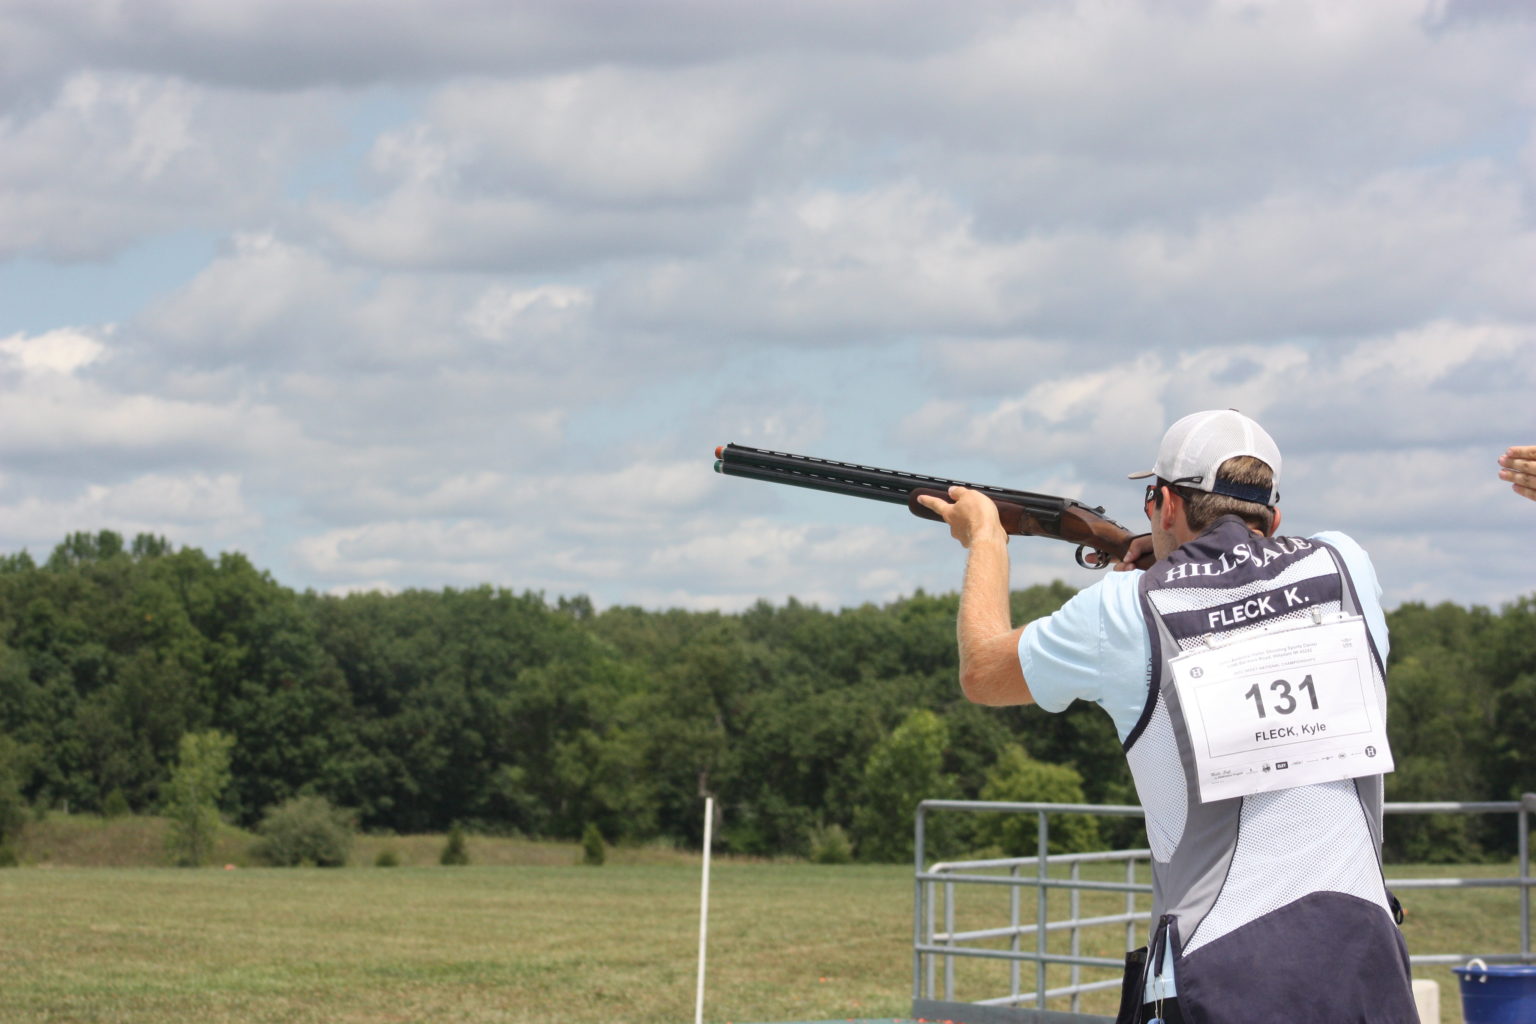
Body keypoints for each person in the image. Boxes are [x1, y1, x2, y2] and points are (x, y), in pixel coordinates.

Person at [918, 410, 1416, 1024]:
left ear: (1164, 504)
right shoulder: (1348, 567)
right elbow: (1250, 573)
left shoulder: (1123, 609)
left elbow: (983, 674)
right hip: (1366, 965)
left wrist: (987, 541)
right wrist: (1168, 553)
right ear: (1275, 516)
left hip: (1222, 978)